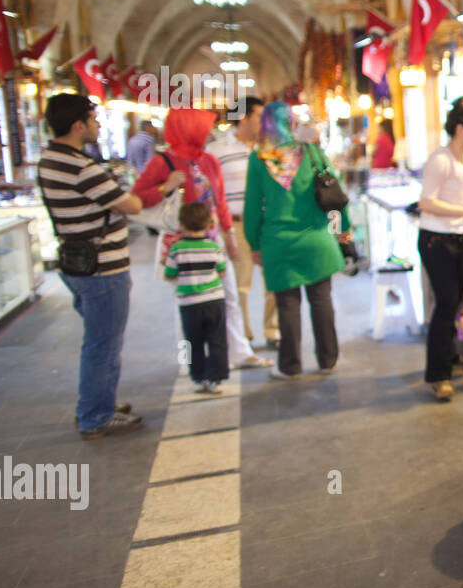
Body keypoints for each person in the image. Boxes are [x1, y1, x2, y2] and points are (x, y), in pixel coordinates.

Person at [38, 94, 184, 438]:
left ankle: (96, 402)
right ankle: (96, 415)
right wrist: (166, 187)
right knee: (103, 342)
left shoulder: (50, 159)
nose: (98, 125)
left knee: (99, 339)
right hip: (101, 267)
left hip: (76, 263)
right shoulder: (82, 167)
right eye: (93, 119)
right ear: (78, 126)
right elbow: (131, 204)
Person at [132, 107, 271, 370]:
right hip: (181, 244)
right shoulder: (162, 163)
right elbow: (137, 199)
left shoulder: (208, 160)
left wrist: (229, 235)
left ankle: (238, 352)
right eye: (201, 126)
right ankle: (188, 361)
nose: (207, 131)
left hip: (212, 241)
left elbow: (220, 202)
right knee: (184, 304)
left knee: (228, 296)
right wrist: (166, 187)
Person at [243, 101, 352, 379]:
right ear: (291, 122)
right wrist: (343, 230)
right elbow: (336, 192)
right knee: (321, 300)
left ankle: (290, 366)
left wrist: (253, 243)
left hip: (279, 243)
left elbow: (253, 208)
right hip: (317, 240)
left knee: (287, 305)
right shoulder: (313, 152)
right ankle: (328, 360)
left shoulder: (259, 160)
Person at [418, 97, 463, 402]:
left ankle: (448, 357)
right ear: (460, 129)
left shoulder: (462, 161)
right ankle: (438, 374)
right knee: (445, 305)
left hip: (457, 238)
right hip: (437, 240)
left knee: (454, 302)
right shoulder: (441, 160)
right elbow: (426, 202)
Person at [207, 97, 279, 350]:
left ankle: (274, 330)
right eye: (260, 116)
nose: (265, 122)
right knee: (241, 283)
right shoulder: (218, 150)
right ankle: (244, 336)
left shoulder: (271, 147)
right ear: (244, 117)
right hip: (237, 224)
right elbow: (210, 190)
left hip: (269, 223)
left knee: (274, 280)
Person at [165, 202, 229, 395]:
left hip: (189, 304)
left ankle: (198, 377)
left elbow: (169, 274)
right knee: (217, 339)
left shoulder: (177, 249)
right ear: (209, 224)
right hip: (214, 301)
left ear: (181, 225)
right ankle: (216, 377)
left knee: (192, 341)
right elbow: (222, 271)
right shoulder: (213, 247)